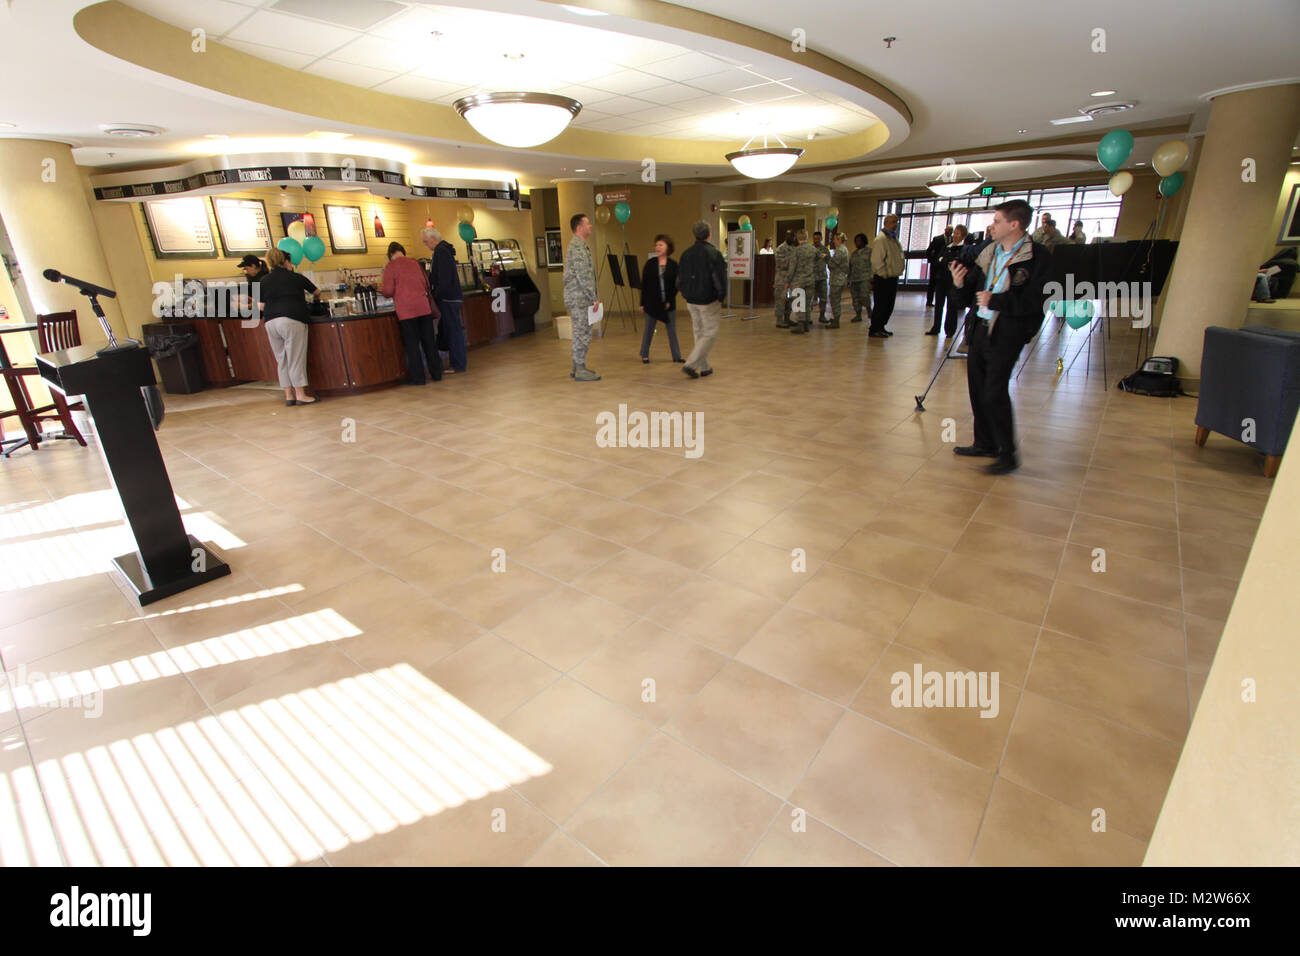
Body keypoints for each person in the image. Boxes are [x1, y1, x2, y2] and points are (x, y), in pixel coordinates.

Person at [949, 199, 1052, 475]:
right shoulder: (989, 254)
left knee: (995, 391)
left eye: (996, 221)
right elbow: (968, 297)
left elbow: (1037, 301)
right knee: (977, 388)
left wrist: (997, 301)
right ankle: (984, 443)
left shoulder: (1036, 257)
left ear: (1014, 224)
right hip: (980, 330)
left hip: (1007, 333)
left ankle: (1008, 454)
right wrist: (959, 284)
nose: (991, 225)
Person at [257, 247, 320, 406]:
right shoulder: (295, 277)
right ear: (285, 261)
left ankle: (288, 395)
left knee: (281, 359)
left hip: (271, 321)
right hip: (292, 319)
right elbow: (316, 291)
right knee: (295, 358)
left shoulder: (263, 281)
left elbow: (260, 306)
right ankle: (301, 394)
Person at [381, 241, 442, 386]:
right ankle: (437, 373)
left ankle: (419, 378)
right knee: (429, 343)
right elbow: (426, 284)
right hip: (423, 307)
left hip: (406, 312)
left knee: (412, 346)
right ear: (403, 251)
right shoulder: (415, 263)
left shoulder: (391, 267)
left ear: (390, 255)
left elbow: (388, 291)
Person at [677, 220, 727, 377]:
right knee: (710, 333)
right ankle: (691, 364)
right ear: (709, 235)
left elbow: (679, 279)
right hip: (707, 300)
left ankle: (704, 366)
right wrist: (721, 295)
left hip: (691, 299)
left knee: (699, 332)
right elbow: (718, 277)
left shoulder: (686, 254)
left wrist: (685, 293)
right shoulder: (714, 254)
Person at [421, 226, 467, 374]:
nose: (426, 245)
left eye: (426, 242)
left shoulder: (440, 252)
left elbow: (443, 279)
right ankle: (457, 362)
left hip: (448, 298)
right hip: (453, 297)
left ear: (433, 239)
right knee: (454, 330)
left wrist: (435, 294)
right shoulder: (446, 250)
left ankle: (458, 364)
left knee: (453, 331)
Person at [562, 212, 601, 381]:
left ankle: (578, 366)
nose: (590, 226)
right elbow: (583, 276)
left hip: (580, 297)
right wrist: (593, 297)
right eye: (587, 223)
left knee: (582, 331)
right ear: (579, 227)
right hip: (579, 298)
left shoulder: (580, 246)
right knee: (582, 332)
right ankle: (579, 368)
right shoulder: (577, 248)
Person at [639, 234, 683, 364]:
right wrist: (642, 303)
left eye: (661, 245)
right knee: (649, 329)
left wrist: (669, 300)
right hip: (652, 303)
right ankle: (645, 354)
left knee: (672, 330)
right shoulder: (650, 264)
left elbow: (677, 285)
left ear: (668, 247)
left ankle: (676, 356)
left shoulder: (674, 265)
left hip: (668, 303)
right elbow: (644, 285)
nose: (658, 247)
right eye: (657, 245)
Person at [927, 224, 969, 337]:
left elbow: (956, 263)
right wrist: (944, 261)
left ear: (963, 236)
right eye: (955, 233)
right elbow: (938, 260)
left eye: (958, 233)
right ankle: (936, 327)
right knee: (939, 305)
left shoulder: (964, 249)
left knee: (952, 306)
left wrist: (944, 261)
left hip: (953, 282)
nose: (955, 235)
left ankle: (950, 330)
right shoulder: (947, 247)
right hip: (941, 280)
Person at [870, 214, 903, 337]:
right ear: (886, 223)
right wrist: (882, 273)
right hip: (884, 278)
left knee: (889, 304)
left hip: (892, 276)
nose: (895, 224)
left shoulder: (892, 238)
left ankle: (881, 326)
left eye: (896, 222)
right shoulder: (881, 239)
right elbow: (876, 260)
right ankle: (875, 328)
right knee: (881, 304)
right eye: (893, 222)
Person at [785, 228, 816, 335]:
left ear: (798, 238)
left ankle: (800, 325)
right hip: (810, 280)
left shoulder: (796, 251)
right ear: (807, 237)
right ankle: (806, 324)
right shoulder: (813, 250)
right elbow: (819, 261)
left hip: (798, 281)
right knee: (807, 303)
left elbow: (792, 267)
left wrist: (788, 281)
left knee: (799, 304)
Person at [826, 232, 850, 329]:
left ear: (839, 240)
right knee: (835, 299)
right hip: (839, 278)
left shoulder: (840, 250)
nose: (833, 241)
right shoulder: (843, 249)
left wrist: (827, 259)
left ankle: (836, 321)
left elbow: (833, 264)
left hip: (837, 278)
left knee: (834, 300)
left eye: (835, 239)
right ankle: (836, 318)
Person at [925, 226, 952, 306]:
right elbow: (929, 251)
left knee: (942, 284)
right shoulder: (937, 239)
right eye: (948, 230)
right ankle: (929, 301)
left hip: (945, 266)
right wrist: (932, 261)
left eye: (951, 230)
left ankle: (940, 302)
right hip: (935, 265)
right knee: (932, 283)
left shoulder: (952, 240)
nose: (949, 232)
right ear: (945, 230)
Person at [848, 233, 872, 323]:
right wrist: (849, 279)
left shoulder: (870, 251)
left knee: (864, 296)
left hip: (865, 278)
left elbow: (873, 264)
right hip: (854, 279)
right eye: (856, 241)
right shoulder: (854, 253)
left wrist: (872, 276)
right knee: (855, 298)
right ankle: (858, 314)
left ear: (863, 241)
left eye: (859, 241)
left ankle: (869, 311)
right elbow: (850, 266)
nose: (857, 243)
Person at [774, 230, 795, 328]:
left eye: (793, 236)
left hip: (791, 279)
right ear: (786, 237)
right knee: (780, 300)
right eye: (790, 236)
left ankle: (787, 318)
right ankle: (779, 320)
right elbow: (780, 263)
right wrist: (792, 260)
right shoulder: (780, 249)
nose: (792, 238)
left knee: (789, 300)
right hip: (781, 279)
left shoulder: (794, 248)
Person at [811, 231, 830, 324]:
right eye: (814, 238)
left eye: (818, 238)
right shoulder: (810, 249)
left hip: (822, 277)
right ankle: (808, 317)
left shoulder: (825, 249)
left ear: (821, 239)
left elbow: (829, 261)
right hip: (812, 277)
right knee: (809, 298)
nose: (816, 240)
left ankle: (822, 316)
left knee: (823, 297)